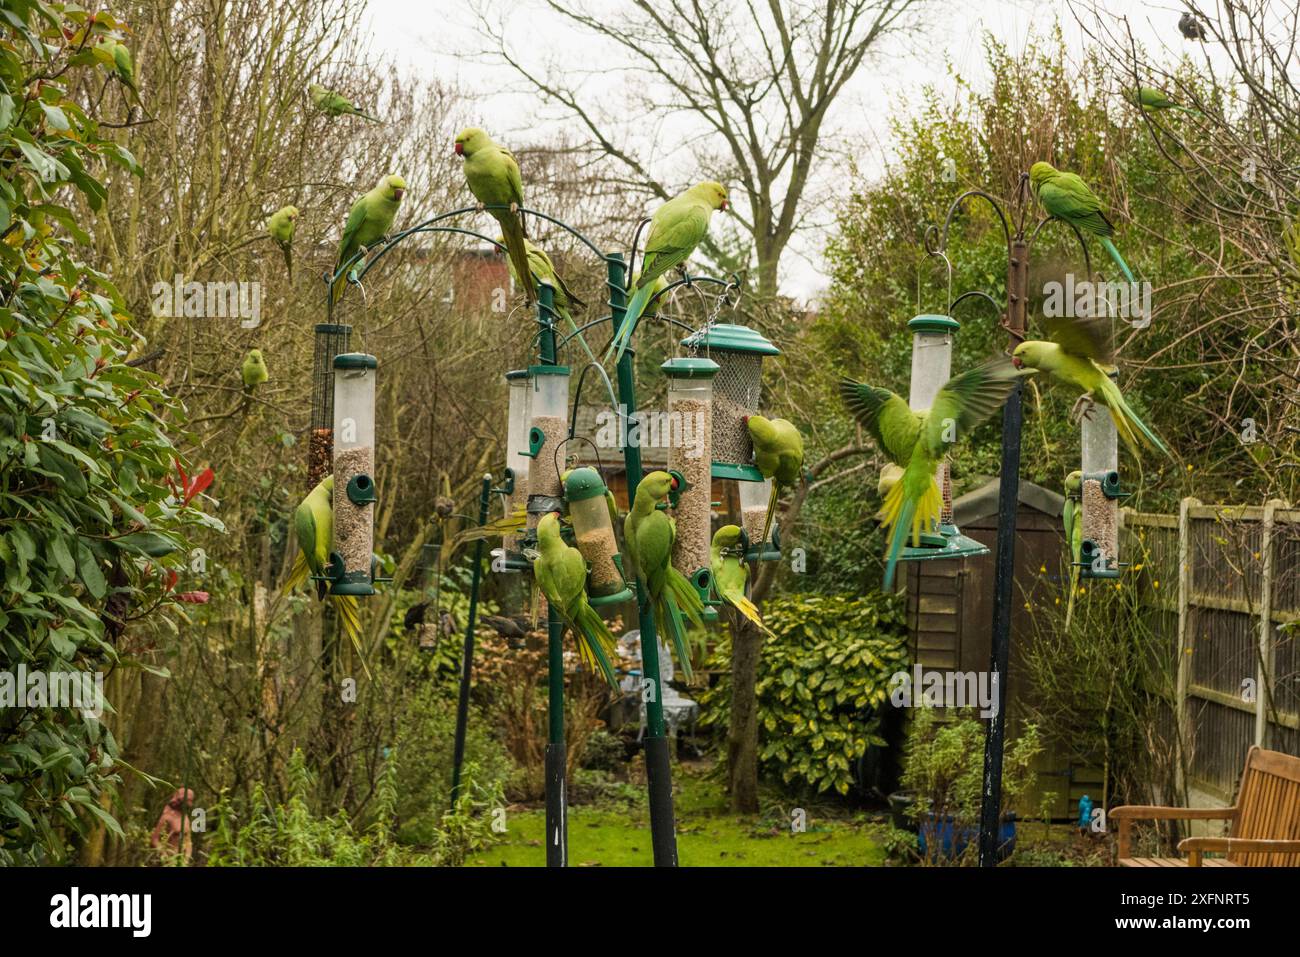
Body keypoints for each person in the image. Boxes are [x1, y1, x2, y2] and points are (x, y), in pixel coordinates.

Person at [150, 787, 195, 865]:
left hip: (181, 861)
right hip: (169, 859)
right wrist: (163, 854)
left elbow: (188, 841)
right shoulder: (167, 816)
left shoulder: (186, 818)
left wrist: (186, 858)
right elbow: (154, 839)